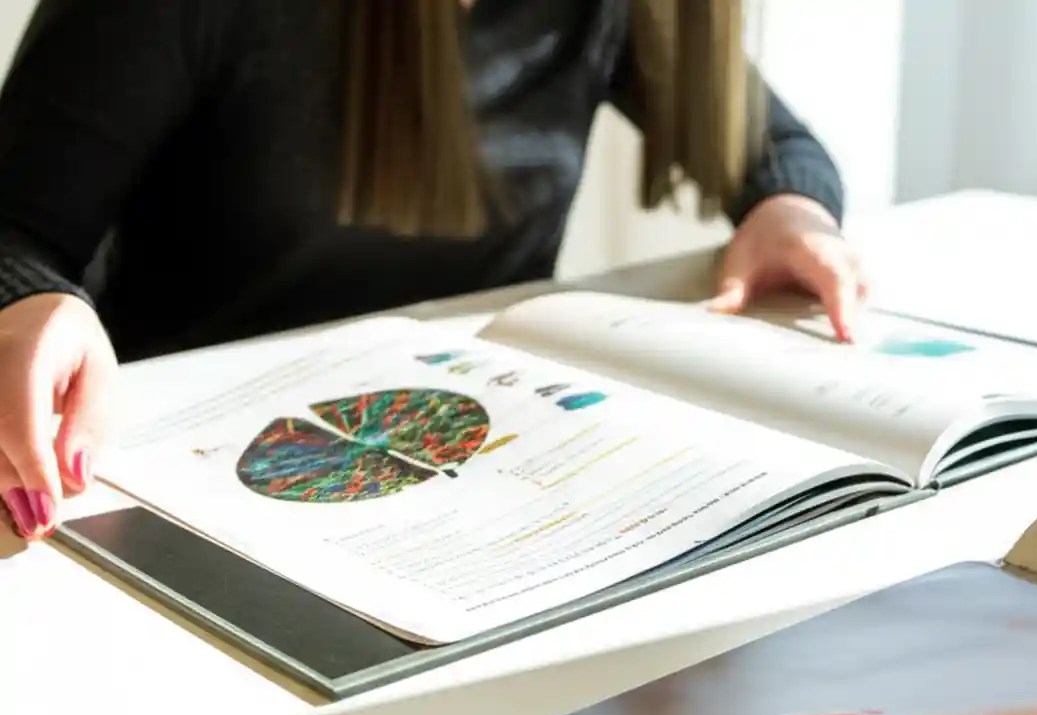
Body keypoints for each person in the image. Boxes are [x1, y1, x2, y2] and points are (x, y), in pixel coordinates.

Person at [0, 0, 866, 540]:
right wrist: (32, 298)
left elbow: (776, 148)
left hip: (492, 483)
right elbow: (15, 232)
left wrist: (789, 209)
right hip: (180, 485)